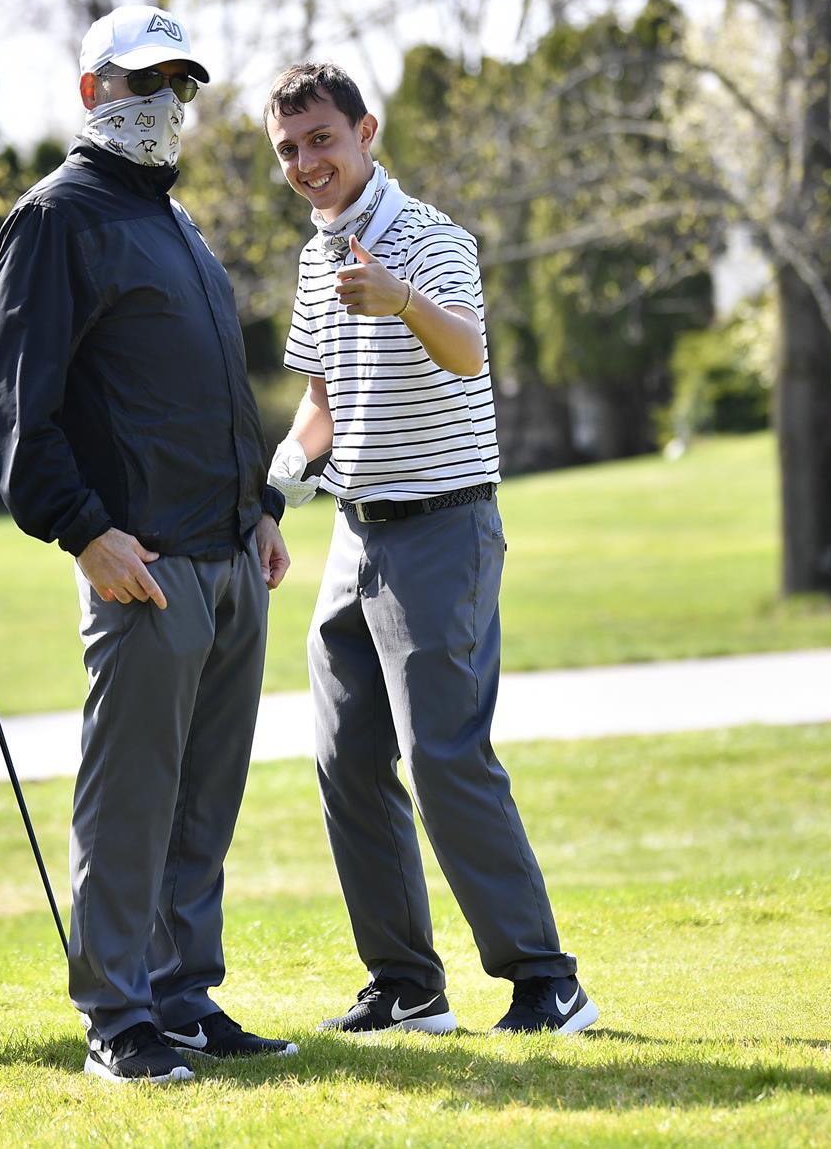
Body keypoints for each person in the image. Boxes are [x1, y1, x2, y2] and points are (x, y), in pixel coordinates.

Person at [0, 4, 297, 1083]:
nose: (166, 101)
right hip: (142, 565)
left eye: (179, 82)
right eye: (142, 80)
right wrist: (84, 533)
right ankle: (117, 1017)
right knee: (129, 803)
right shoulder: (53, 219)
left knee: (204, 802)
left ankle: (182, 995)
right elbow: (21, 413)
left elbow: (212, 393)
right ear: (92, 92)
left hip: (227, 552)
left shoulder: (177, 220)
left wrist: (259, 508)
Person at [261, 62, 598, 1036]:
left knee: (445, 759)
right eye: (288, 149)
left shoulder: (428, 237)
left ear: (365, 132)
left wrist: (399, 296)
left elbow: (466, 350)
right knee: (345, 760)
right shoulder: (314, 257)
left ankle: (546, 980)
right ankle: (407, 984)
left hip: (443, 528)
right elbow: (321, 407)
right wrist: (272, 492)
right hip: (354, 533)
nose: (306, 163)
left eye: (321, 139)